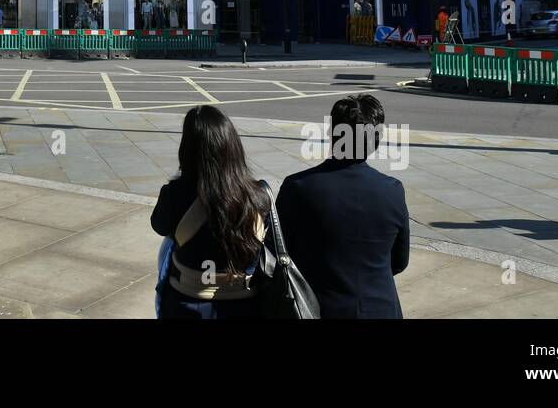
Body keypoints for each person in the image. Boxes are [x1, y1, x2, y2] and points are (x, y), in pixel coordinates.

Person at [275, 95, 409, 318]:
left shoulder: (297, 188)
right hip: (380, 309)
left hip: (317, 308)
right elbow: (399, 261)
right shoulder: (393, 190)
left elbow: (280, 256)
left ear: (333, 136)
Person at [152, 105, 269, 318]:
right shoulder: (260, 195)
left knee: (168, 245)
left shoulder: (174, 194)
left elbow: (159, 226)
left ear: (186, 149)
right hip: (246, 305)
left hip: (188, 302)